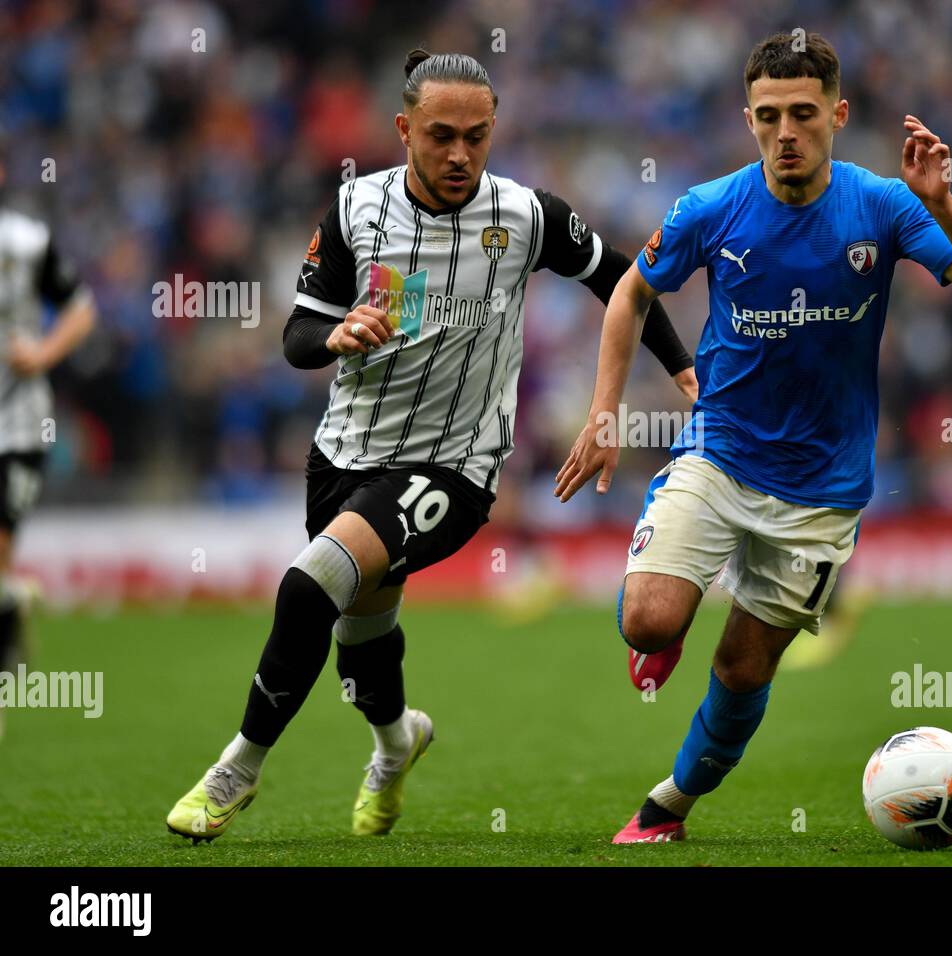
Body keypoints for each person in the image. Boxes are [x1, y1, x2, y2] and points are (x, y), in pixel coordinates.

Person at [166, 50, 696, 842]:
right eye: (441, 135)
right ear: (403, 129)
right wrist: (337, 332)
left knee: (311, 585)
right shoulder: (355, 208)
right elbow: (298, 333)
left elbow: (625, 280)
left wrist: (685, 376)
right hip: (343, 456)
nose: (459, 155)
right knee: (360, 643)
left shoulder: (525, 216)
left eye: (477, 137)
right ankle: (395, 742)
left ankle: (235, 770)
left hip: (456, 465)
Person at [554, 32, 952, 843]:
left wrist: (943, 203)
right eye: (768, 116)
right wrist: (605, 411)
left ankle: (669, 806)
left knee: (741, 670)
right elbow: (631, 290)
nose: (786, 133)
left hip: (823, 490)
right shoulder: (710, 207)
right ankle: (664, 629)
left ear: (838, 115)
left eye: (803, 113)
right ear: (749, 119)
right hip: (720, 453)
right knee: (649, 621)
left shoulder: (882, 205)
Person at [0, 132, 98, 742]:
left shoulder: (25, 242)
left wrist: (43, 352)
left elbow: (81, 307)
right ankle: (10, 609)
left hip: (15, 421)